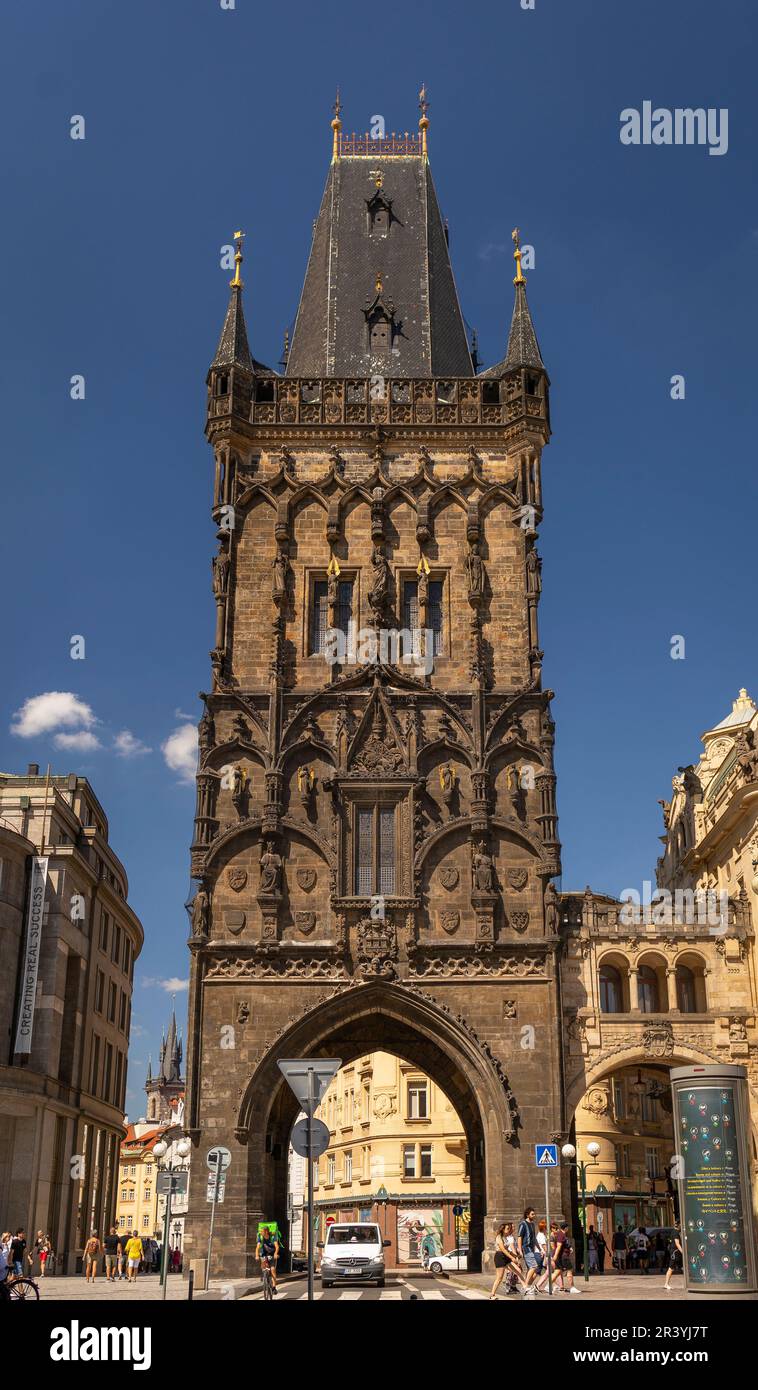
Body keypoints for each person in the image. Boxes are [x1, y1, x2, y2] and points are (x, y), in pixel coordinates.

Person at [490, 1223, 523, 1299]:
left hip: (505, 1256)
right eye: (507, 1229)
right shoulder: (499, 1237)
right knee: (499, 1277)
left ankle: (525, 1287)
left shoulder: (505, 1237)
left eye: (509, 1228)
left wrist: (516, 1256)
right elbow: (503, 1249)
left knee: (517, 1270)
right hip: (500, 1257)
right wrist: (512, 1258)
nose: (509, 1230)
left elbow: (508, 1250)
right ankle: (492, 1295)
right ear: (503, 1230)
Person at [517, 1207, 542, 1298]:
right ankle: (525, 1286)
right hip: (526, 1249)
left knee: (531, 1269)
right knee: (534, 1266)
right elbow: (519, 1237)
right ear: (527, 1215)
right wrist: (520, 1250)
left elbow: (534, 1238)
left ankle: (528, 1287)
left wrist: (539, 1248)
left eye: (534, 1214)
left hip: (531, 1249)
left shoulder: (532, 1224)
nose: (534, 1215)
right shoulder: (523, 1224)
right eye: (532, 1214)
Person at [553, 1222, 581, 1294]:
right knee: (569, 1270)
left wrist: (570, 1248)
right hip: (563, 1257)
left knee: (557, 1272)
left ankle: (548, 1285)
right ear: (565, 1228)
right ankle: (572, 1288)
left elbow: (564, 1245)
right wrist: (555, 1255)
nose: (568, 1228)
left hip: (563, 1256)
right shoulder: (561, 1234)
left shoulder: (562, 1235)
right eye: (567, 1227)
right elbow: (559, 1246)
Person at [256, 1226, 279, 1294]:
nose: (261, 1232)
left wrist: (275, 1254)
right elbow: (257, 1247)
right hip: (263, 1253)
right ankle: (263, 1274)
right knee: (263, 1263)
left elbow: (277, 1246)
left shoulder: (273, 1237)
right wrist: (257, 1255)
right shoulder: (260, 1237)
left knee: (272, 1270)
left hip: (272, 1254)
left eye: (262, 1231)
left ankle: (274, 1287)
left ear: (266, 1231)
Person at [664, 1223, 683, 1291]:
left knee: (681, 1267)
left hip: (675, 1252)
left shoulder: (674, 1231)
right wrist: (683, 1252)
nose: (682, 1226)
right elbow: (677, 1244)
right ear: (678, 1225)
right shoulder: (676, 1232)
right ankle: (666, 1284)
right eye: (681, 1225)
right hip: (675, 1252)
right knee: (671, 1268)